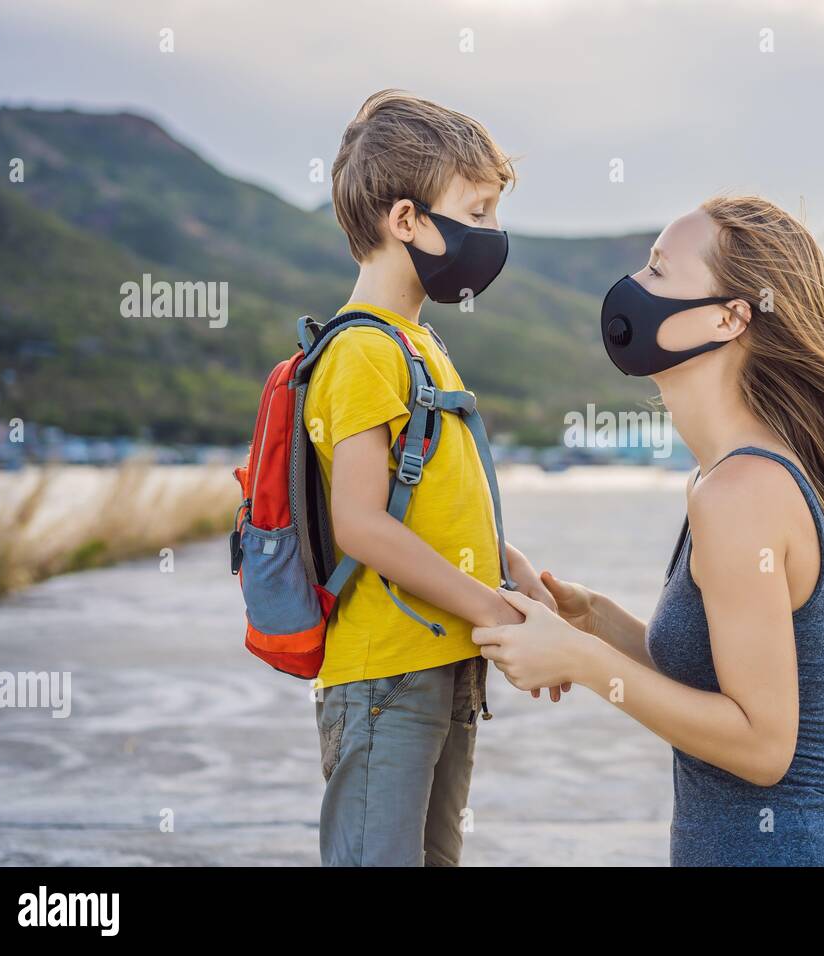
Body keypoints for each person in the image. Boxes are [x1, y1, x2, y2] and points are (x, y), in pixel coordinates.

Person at [473, 195, 824, 866]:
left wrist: (585, 665)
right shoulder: (722, 479)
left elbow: (762, 746)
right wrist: (596, 623)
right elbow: (719, 689)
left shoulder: (742, 492)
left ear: (730, 317)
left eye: (659, 273)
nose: (632, 291)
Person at [308, 90, 558, 867]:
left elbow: (440, 504)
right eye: (476, 212)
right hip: (385, 674)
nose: (491, 235)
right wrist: (491, 609)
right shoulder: (361, 351)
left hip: (446, 666)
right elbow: (362, 523)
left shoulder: (420, 344)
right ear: (407, 219)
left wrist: (518, 579)